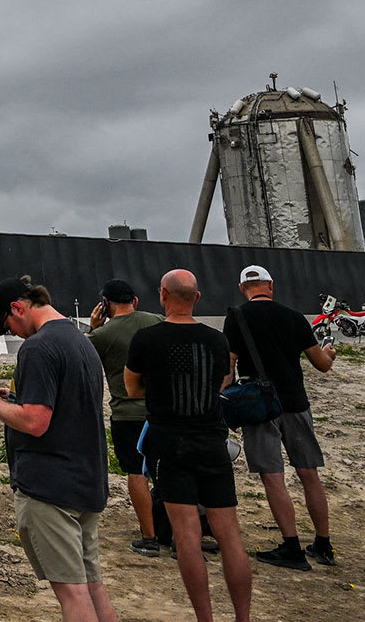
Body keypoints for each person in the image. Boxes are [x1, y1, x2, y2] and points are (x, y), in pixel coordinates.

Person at [0, 276, 115, 622]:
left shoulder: (38, 347)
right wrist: (18, 400)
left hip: (51, 487)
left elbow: (36, 423)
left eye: (7, 323)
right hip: (87, 478)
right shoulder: (79, 339)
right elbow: (66, 403)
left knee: (72, 593)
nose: (11, 332)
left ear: (18, 308)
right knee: (93, 586)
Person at [127, 270, 252, 622]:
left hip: (170, 443)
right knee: (230, 537)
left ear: (162, 295)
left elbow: (133, 388)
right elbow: (223, 380)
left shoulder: (147, 339)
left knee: (187, 537)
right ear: (197, 298)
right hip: (212, 440)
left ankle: (205, 618)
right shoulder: (215, 341)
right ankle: (243, 617)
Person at [224, 264, 338, 570]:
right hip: (296, 402)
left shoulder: (236, 317)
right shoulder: (293, 317)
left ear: (242, 289)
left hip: (259, 405)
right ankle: (324, 544)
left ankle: (291, 547)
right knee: (308, 472)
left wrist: (219, 399)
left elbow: (229, 366)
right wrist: (330, 352)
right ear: (270, 286)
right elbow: (322, 364)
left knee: (273, 476)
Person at [87, 278, 164, 555]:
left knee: (136, 472)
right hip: (163, 411)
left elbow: (86, 361)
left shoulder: (102, 336)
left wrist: (95, 328)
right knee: (168, 471)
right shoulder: (157, 320)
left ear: (104, 304)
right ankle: (183, 536)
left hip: (127, 413)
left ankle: (150, 536)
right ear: (135, 301)